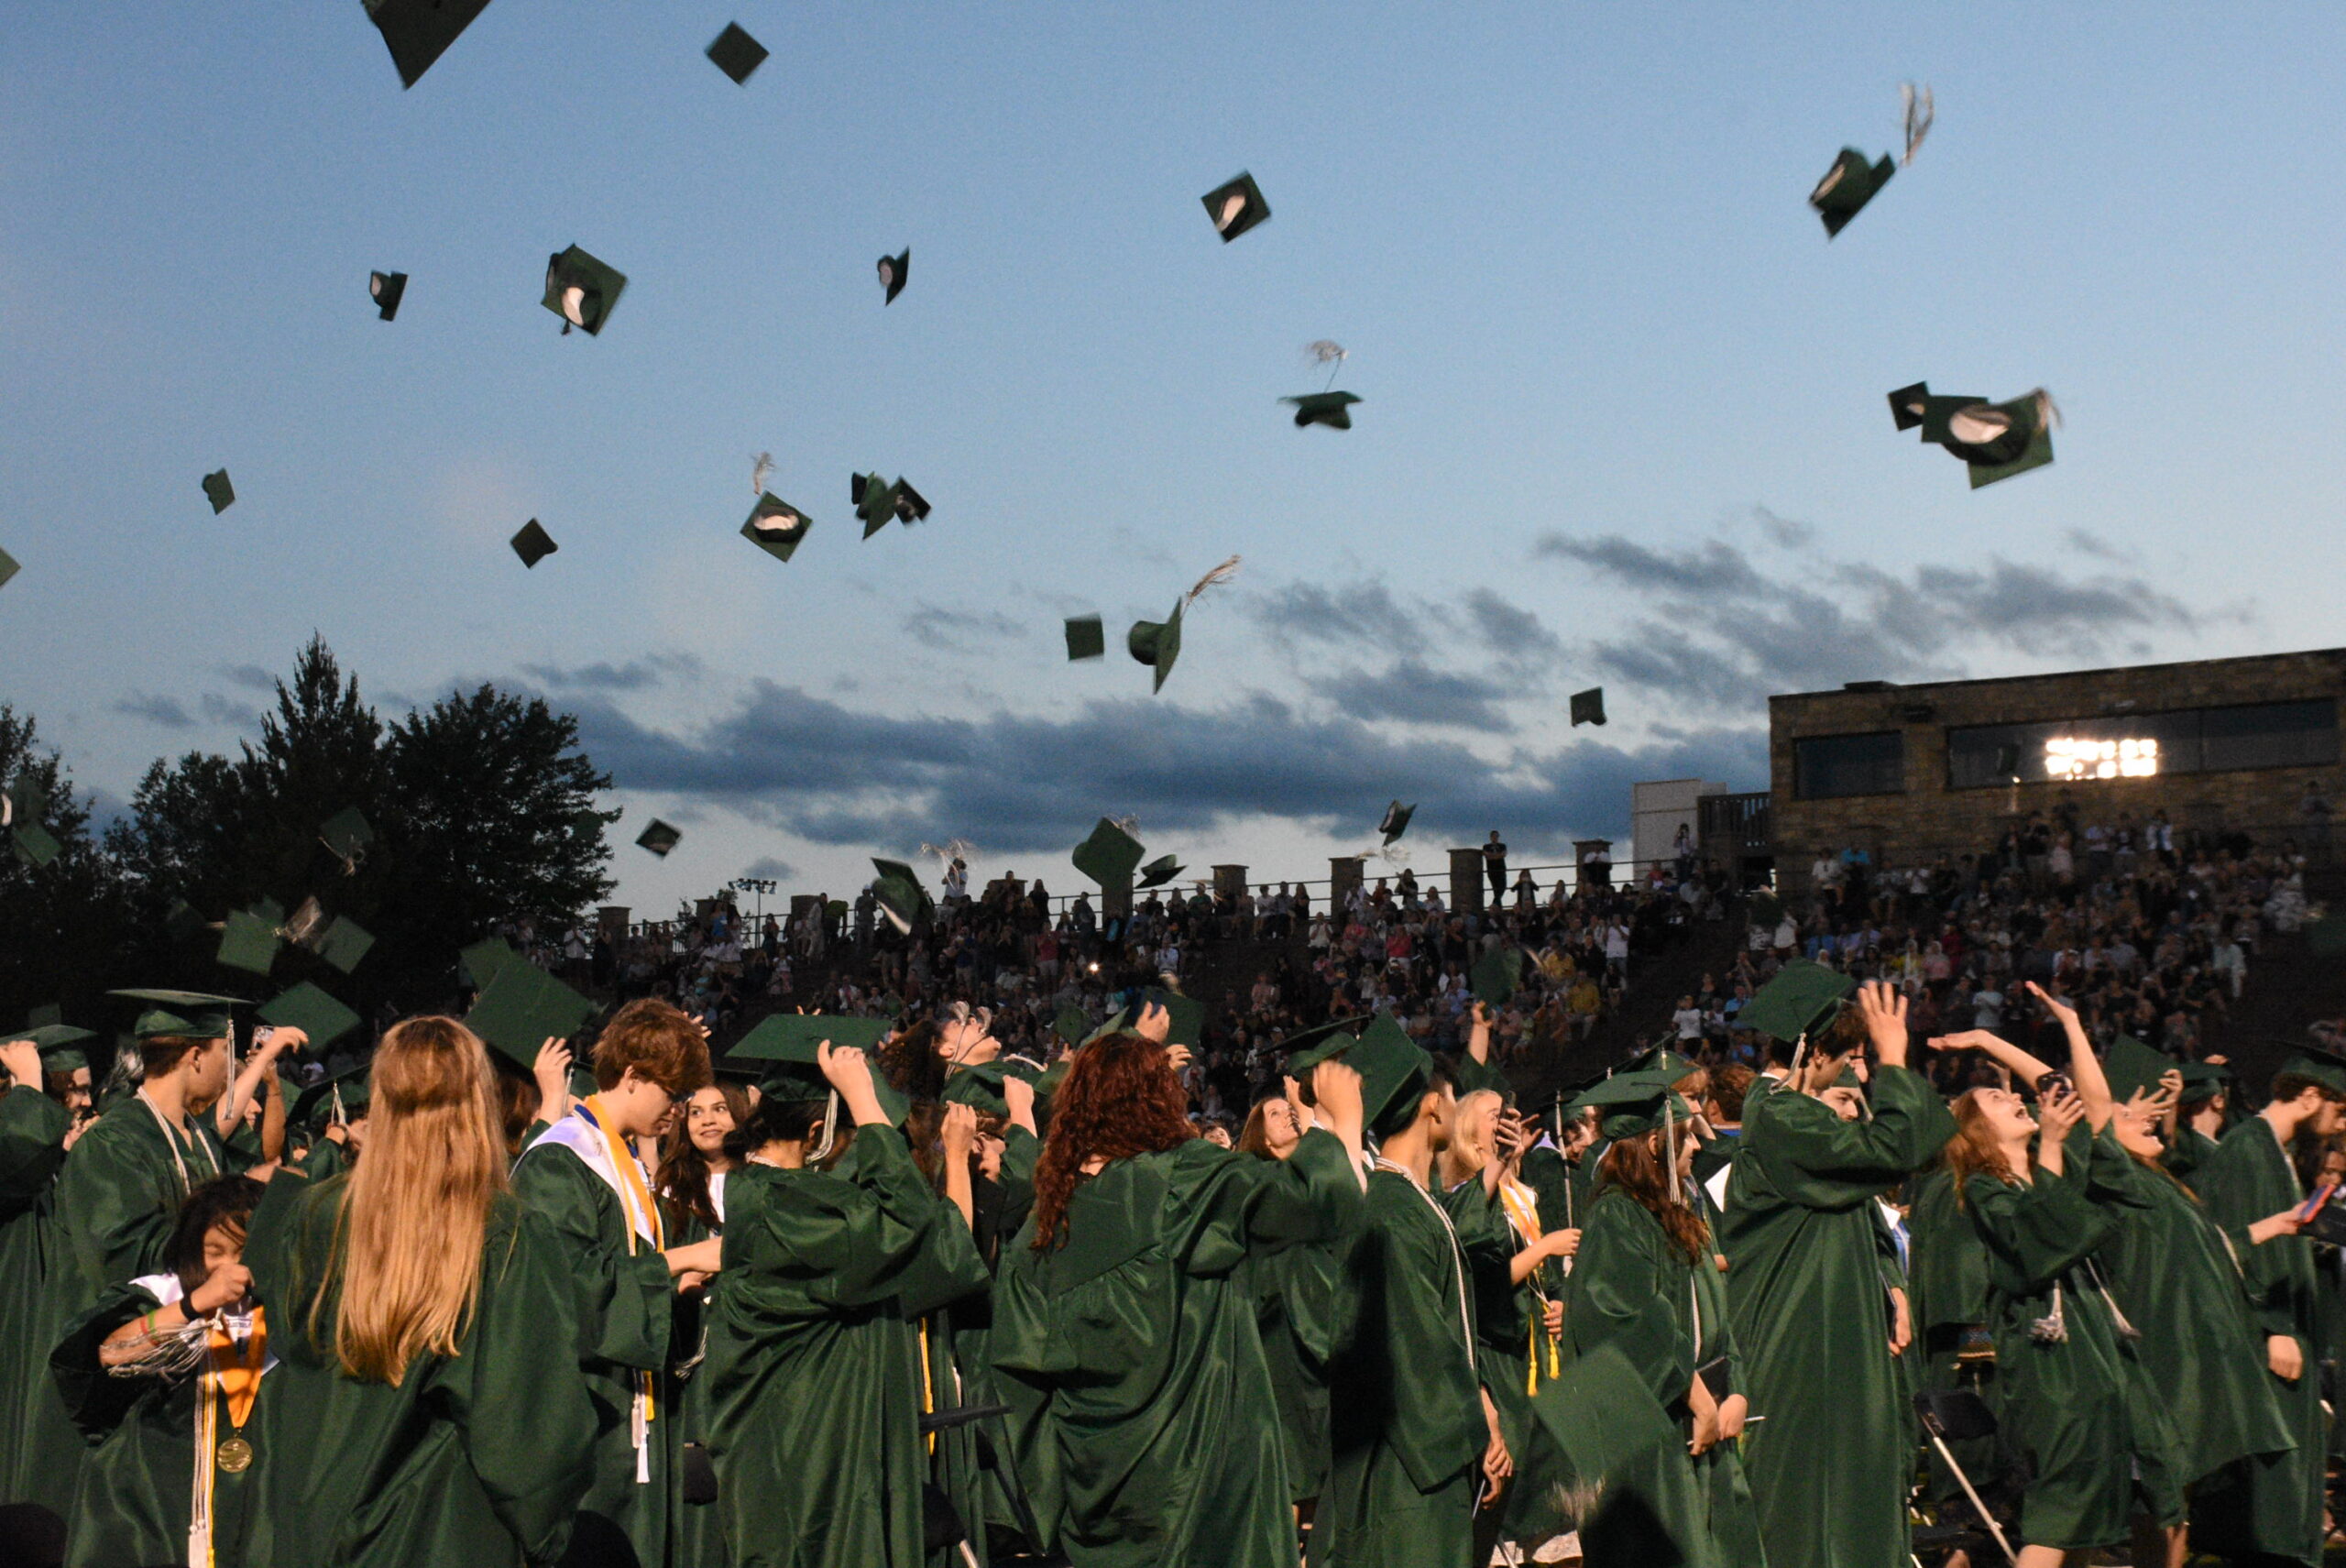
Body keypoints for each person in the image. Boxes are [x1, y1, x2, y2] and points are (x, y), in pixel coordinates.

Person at [994, 1008, 1366, 1567]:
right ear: (1156, 1102)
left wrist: (1060, 1510)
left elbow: (1019, 1390)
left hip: (1102, 1502)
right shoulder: (1179, 1180)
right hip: (1207, 1491)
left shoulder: (1041, 1232)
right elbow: (1315, 1202)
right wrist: (1334, 1120)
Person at [238, 1015, 597, 1565]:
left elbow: (289, 1345)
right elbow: (524, 1426)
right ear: (477, 1102)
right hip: (440, 1528)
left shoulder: (316, 1212)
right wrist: (547, 1534)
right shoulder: (504, 1232)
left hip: (313, 1512)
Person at [703, 1035, 988, 1568]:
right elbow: (911, 1219)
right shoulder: (783, 1205)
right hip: (800, 1449)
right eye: (849, 1136)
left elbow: (936, 1247)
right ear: (817, 1133)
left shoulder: (778, 1195)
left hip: (815, 1436)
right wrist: (861, 1096)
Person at [1719, 974, 1954, 1568]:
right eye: (1851, 1055)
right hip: (1798, 1337)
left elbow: (1868, 1198)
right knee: (1804, 1505)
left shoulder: (1792, 1114)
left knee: (1845, 1490)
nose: (1858, 1070)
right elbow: (1894, 1149)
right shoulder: (1781, 1116)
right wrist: (1896, 1056)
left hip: (1828, 1331)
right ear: (1815, 1050)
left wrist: (1891, 1282)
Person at [1938, 1016, 2187, 1568]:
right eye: (1996, 1099)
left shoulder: (2056, 1163)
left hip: (2102, 1352)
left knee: (2127, 1505)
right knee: (2062, 1512)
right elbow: (2035, 1243)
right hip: (2052, 1367)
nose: (2015, 1098)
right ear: (1978, 1131)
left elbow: (2069, 1094)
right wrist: (2050, 1144)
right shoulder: (1985, 1189)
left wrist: (1992, 1040)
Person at [511, 999, 722, 1567]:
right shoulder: (561, 1160)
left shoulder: (618, 1157)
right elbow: (568, 1287)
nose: (677, 1109)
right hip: (589, 1415)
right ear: (631, 1075)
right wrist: (680, 1260)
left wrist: (676, 1287)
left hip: (633, 1404)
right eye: (671, 1093)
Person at [1310, 1021, 1506, 1568]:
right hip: (1408, 1471)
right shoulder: (1392, 1213)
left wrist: (1482, 1407)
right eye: (1450, 1096)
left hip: (1426, 1456)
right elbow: (1415, 1348)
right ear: (1431, 1107)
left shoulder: (1413, 1202)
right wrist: (1474, 1428)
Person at [1566, 1074, 1763, 1568]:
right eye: (1686, 1136)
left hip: (1704, 1420)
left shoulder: (1678, 1213)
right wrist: (1696, 1395)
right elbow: (1622, 1321)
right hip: (1655, 1433)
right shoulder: (1617, 1217)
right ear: (1656, 1144)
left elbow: (1716, 1310)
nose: (1697, 1146)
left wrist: (1735, 1389)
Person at [50, 1174, 269, 1568]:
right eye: (215, 1252)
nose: (229, 1267)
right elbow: (110, 1353)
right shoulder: (162, 1296)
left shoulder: (285, 1314)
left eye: (242, 1251)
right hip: (155, 1504)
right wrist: (194, 1305)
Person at [2190, 1043, 2346, 1568]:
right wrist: (2273, 1326)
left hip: (2287, 1331)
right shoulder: (2248, 1149)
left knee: (2288, 1480)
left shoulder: (2274, 1151)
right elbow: (2234, 1244)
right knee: (2267, 1494)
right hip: (2267, 1338)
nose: (2341, 1124)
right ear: (2310, 1096)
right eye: (2340, 1109)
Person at [1483, 832, 1507, 905]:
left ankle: (1495, 904)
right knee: (1496, 889)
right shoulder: (1486, 846)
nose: (1495, 838)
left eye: (1496, 836)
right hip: (1491, 870)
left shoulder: (1502, 846)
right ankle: (1496, 905)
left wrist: (1492, 856)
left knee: (1503, 886)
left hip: (1501, 869)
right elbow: (1486, 855)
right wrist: (1498, 856)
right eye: (1493, 836)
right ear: (1490, 837)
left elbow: (1503, 854)